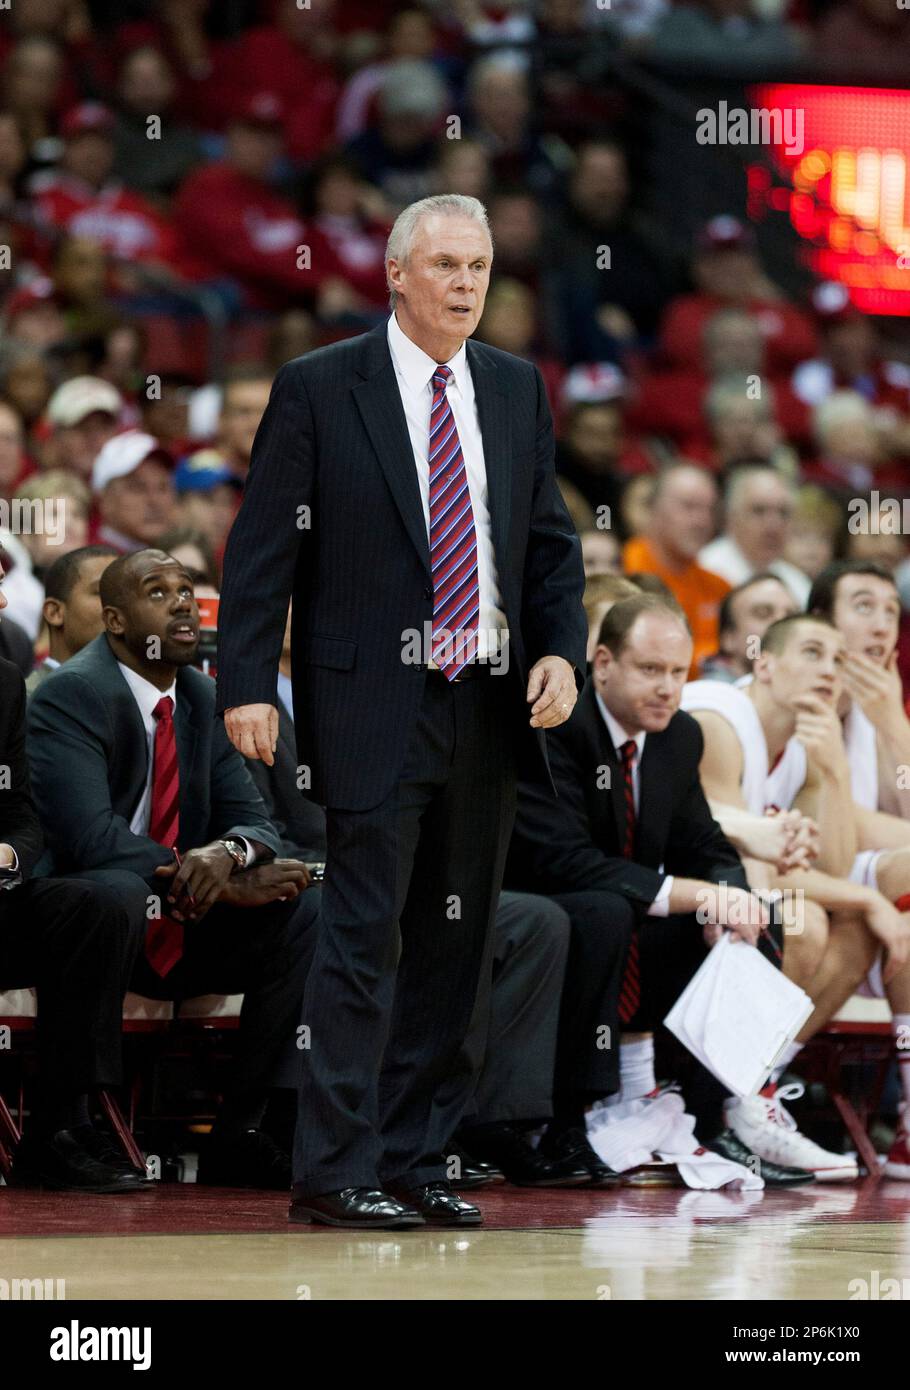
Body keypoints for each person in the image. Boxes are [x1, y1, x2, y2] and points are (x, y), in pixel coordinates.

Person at [216, 192, 587, 1229]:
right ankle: (335, 1170)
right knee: (361, 939)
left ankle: (421, 1158)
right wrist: (245, 680)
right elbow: (261, 547)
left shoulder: (515, 388)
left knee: (455, 948)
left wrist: (559, 650)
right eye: (446, 267)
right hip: (371, 696)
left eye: (478, 268)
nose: (466, 285)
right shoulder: (320, 385)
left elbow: (549, 545)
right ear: (396, 274)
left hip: (486, 701)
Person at [246, 606, 582, 1189]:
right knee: (352, 922)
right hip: (307, 877)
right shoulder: (255, 707)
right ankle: (294, 1128)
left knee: (531, 920)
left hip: (412, 846)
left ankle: (476, 1127)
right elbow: (258, 823)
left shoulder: (412, 696)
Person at [26, 549, 320, 1191]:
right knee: (109, 892)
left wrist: (230, 856)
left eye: (185, 588)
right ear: (116, 622)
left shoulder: (201, 694)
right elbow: (88, 837)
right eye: (156, 592)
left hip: (184, 916)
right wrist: (208, 872)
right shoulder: (71, 693)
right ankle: (62, 1130)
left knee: (310, 909)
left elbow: (256, 822)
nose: (182, 601)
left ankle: (244, 1129)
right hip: (95, 923)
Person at [504, 594, 806, 1183]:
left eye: (678, 672)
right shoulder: (557, 726)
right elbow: (563, 860)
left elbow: (708, 846)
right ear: (603, 663)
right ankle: (569, 1122)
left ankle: (712, 1112)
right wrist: (701, 895)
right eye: (650, 670)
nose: (668, 687)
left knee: (756, 913)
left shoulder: (678, 737)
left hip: (625, 899)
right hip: (546, 898)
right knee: (605, 913)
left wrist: (727, 896)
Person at [681, 613, 910, 1178]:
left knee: (849, 932)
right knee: (803, 920)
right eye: (812, 652)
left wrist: (831, 771)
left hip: (738, 904)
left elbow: (826, 867)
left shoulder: (805, 743)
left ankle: (758, 1088)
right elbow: (725, 858)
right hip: (673, 898)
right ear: (765, 662)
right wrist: (872, 900)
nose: (829, 670)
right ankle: (729, 1095)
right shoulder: (720, 717)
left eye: (836, 659)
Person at [0, 566, 147, 1194]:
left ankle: (61, 1127)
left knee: (104, 895)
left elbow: (22, 817)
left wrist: (8, 852)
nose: (3, 598)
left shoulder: (5, 683)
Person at [621, 463, 730, 677]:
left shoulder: (720, 586)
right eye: (689, 507)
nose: (703, 521)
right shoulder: (623, 570)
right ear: (652, 509)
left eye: (710, 510)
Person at [699, 462, 811, 606]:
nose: (773, 525)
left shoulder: (797, 583)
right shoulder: (706, 571)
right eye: (759, 511)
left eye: (783, 513)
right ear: (731, 518)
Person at [26, 544, 118, 694]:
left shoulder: (142, 698)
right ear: (54, 612)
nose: (120, 604)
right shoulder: (22, 702)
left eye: (124, 594)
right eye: (103, 591)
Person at [699, 571, 797, 682]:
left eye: (791, 616)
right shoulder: (710, 695)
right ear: (728, 638)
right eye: (763, 613)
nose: (781, 622)